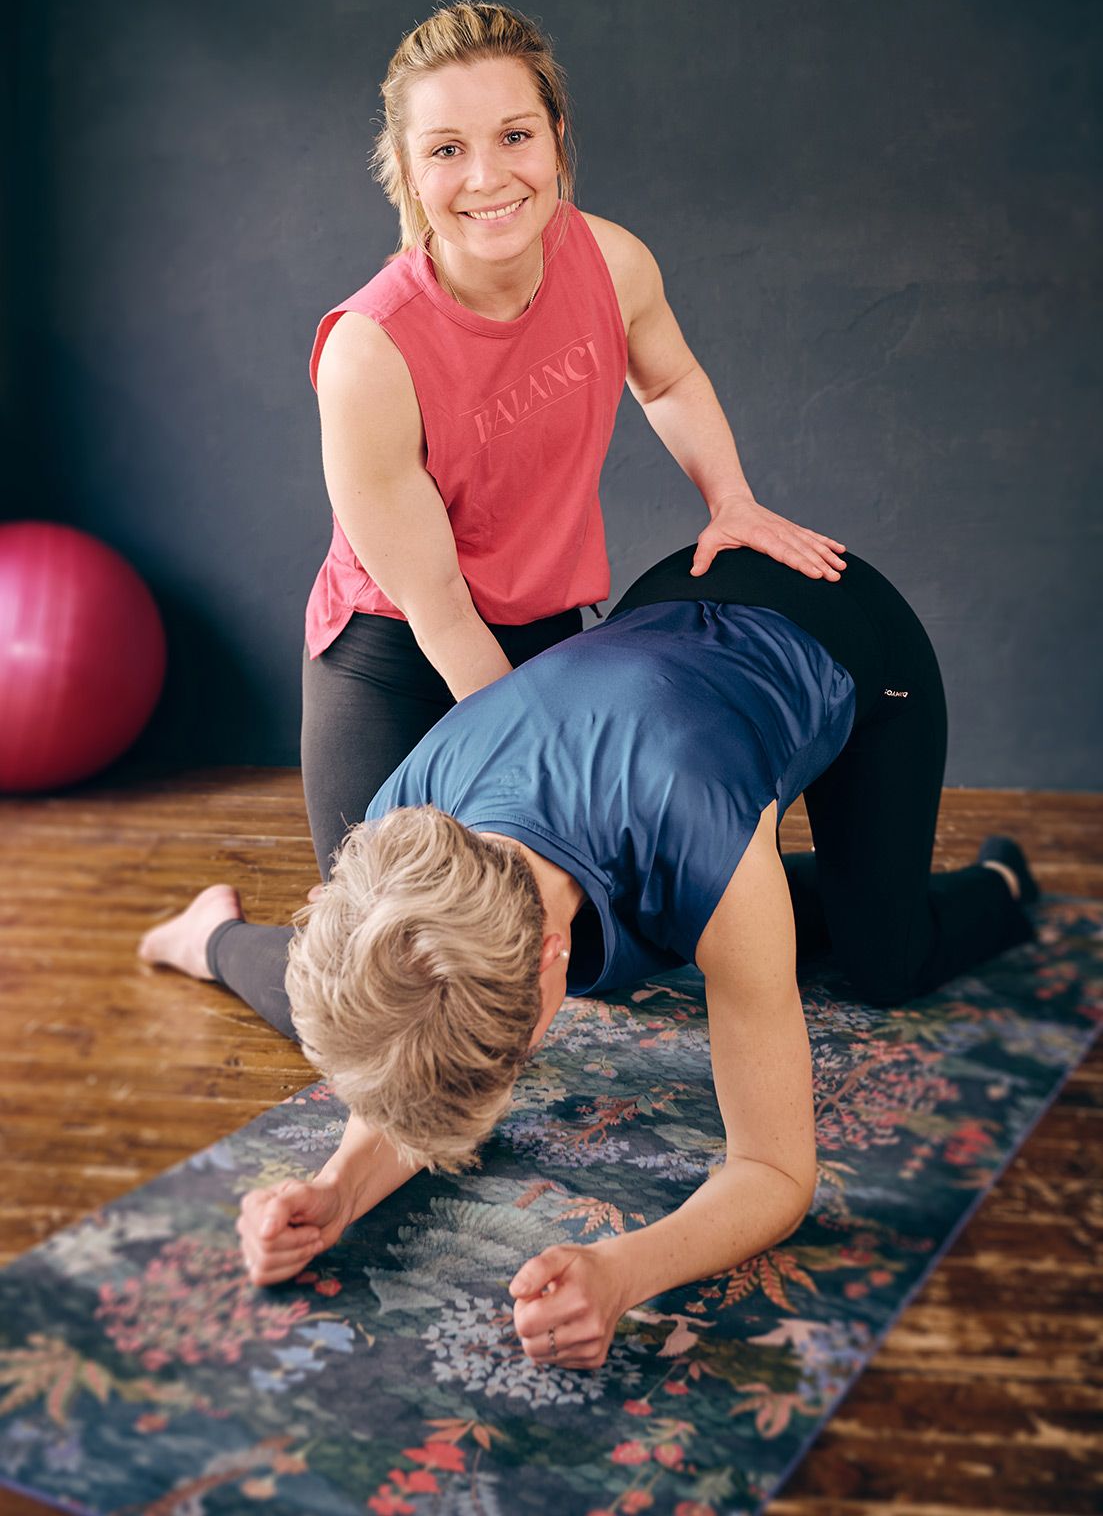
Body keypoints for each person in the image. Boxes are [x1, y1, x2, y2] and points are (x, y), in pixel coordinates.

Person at [140, 547, 1037, 1371]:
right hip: (662, 613)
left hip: (848, 634)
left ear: (549, 962)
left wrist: (624, 1270)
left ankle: (999, 879)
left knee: (885, 960)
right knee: (723, 920)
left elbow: (774, 1172)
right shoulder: (401, 821)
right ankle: (205, 936)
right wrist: (337, 1191)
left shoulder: (699, 832)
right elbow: (423, 1037)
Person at [288, 0, 846, 890]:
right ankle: (210, 936)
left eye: (513, 135)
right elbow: (437, 608)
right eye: (445, 149)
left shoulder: (614, 262)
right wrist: (543, 762)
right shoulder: (370, 350)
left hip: (546, 636)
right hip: (394, 655)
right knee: (382, 975)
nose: (486, 176)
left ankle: (915, 901)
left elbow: (667, 381)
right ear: (404, 169)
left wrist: (729, 499)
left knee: (609, 921)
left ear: (555, 137)